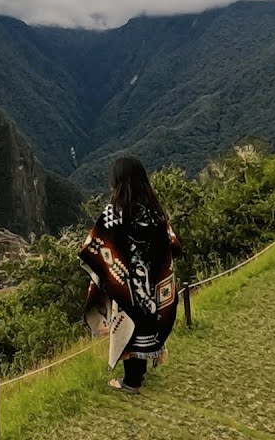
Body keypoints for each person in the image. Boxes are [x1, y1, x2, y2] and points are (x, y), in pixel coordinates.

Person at [79, 156, 182, 395]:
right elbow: (172, 245)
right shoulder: (155, 212)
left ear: (117, 181)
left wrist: (112, 272)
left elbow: (94, 248)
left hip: (125, 283)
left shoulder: (114, 213)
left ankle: (132, 381)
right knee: (146, 325)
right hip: (152, 283)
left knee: (127, 324)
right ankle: (139, 374)